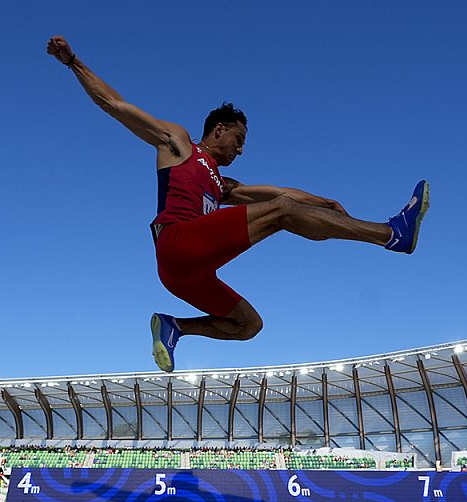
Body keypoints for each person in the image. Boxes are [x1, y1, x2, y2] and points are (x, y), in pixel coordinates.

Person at [46, 36, 430, 372]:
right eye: (239, 139)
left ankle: (174, 326)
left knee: (248, 325)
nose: (241, 149)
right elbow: (115, 104)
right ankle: (392, 234)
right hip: (177, 243)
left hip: (187, 274)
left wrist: (322, 200)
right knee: (282, 212)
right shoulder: (178, 143)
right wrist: (73, 62)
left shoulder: (222, 184)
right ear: (219, 130)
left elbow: (272, 192)